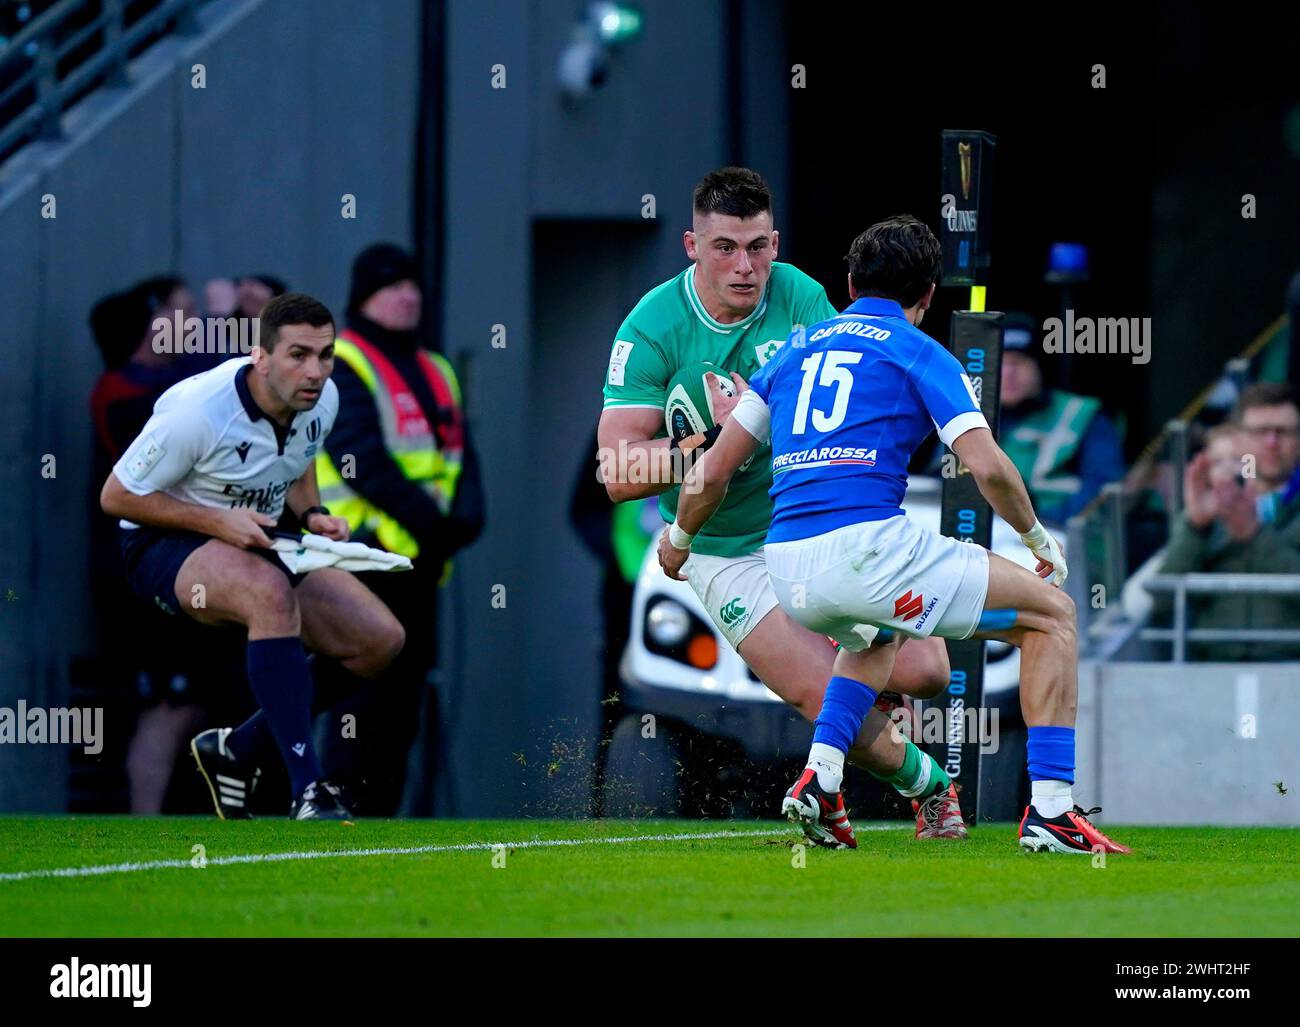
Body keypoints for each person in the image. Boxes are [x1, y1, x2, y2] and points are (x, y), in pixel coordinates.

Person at [660, 215, 1130, 855]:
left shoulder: (794, 350)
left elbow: (712, 470)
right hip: (866, 549)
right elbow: (987, 465)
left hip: (788, 565)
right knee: (1053, 618)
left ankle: (822, 779)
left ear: (850, 283)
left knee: (874, 630)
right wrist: (1038, 539)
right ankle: (1050, 811)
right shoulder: (917, 348)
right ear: (929, 296)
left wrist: (679, 542)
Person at [598, 168, 964, 846]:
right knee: (825, 700)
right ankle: (931, 789)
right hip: (725, 549)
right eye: (726, 247)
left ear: (776, 242)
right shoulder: (652, 327)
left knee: (930, 670)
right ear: (691, 245)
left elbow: (849, 405)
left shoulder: (799, 294)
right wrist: (712, 445)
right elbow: (617, 471)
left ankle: (865, 697)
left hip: (813, 518)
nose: (746, 266)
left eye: (759, 246)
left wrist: (764, 418)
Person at [100, 293, 406, 820]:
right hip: (161, 542)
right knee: (269, 593)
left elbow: (297, 458)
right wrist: (218, 521)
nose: (315, 371)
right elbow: (117, 497)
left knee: (378, 640)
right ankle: (309, 790)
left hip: (253, 537)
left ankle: (237, 750)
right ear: (260, 356)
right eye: (298, 355)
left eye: (325, 354)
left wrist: (313, 515)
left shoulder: (321, 399)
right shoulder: (199, 411)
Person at [315, 243, 485, 815]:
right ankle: (340, 809)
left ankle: (380, 818)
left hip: (421, 565)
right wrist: (434, 527)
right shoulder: (343, 361)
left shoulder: (436, 368)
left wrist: (464, 521)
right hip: (364, 558)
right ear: (365, 296)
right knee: (362, 703)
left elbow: (461, 455)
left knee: (404, 706)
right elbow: (359, 459)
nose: (408, 296)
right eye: (393, 286)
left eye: (413, 285)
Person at [1158, 384, 1300, 660]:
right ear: (1238, 439)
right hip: (1211, 671)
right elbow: (1162, 601)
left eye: (1283, 432)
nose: (1272, 442)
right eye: (1260, 432)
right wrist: (1195, 526)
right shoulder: (1211, 505)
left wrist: (1255, 535)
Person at [998, 313, 1126, 523]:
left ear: (1040, 366)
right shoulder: (973, 415)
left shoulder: (1085, 416)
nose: (1008, 373)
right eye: (1000, 363)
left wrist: (1036, 528)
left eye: (1018, 362)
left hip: (1064, 540)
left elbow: (1103, 492)